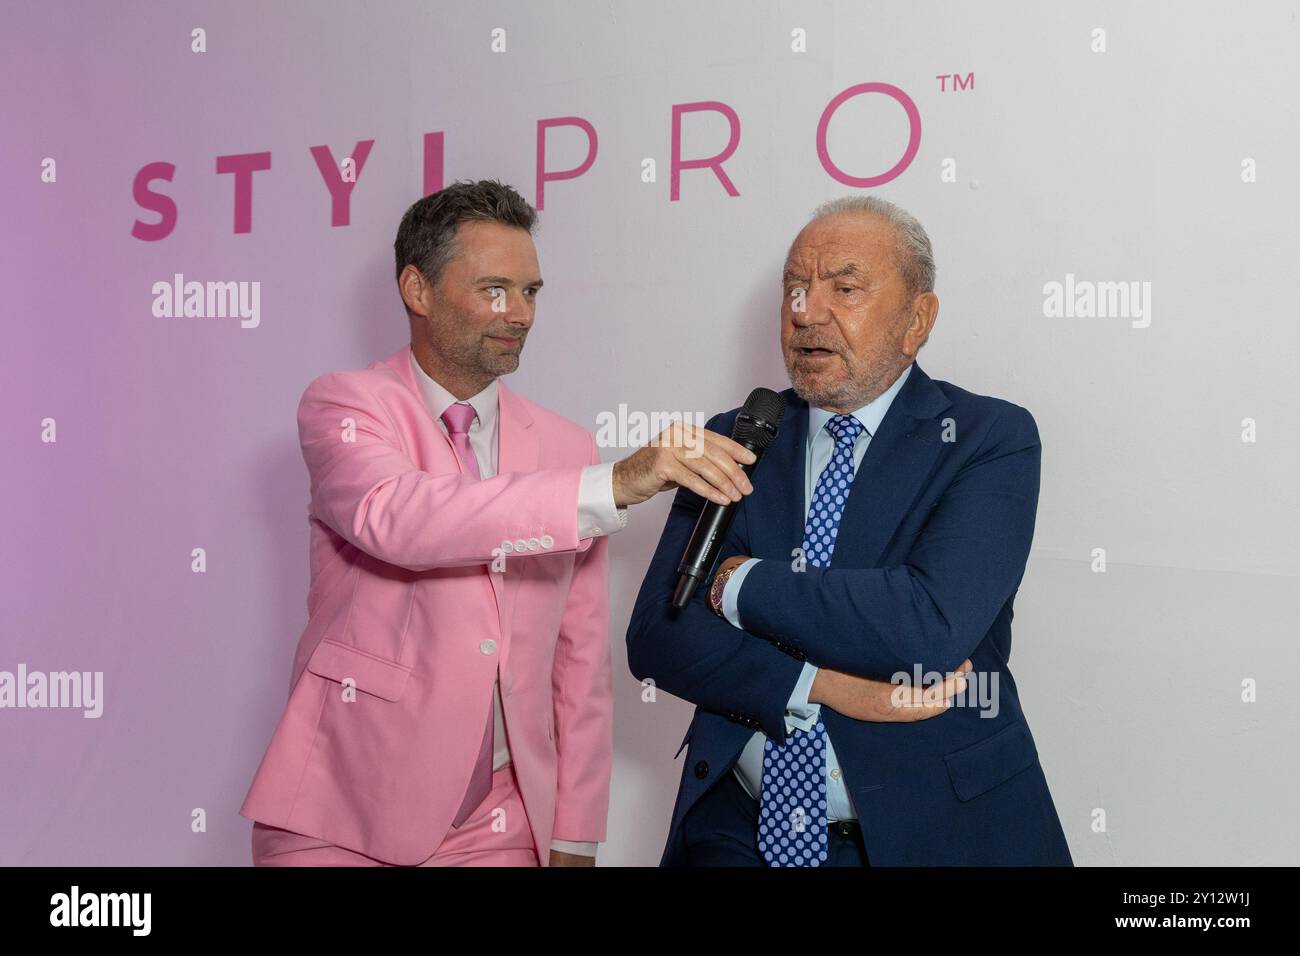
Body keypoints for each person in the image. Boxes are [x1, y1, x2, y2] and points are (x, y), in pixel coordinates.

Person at [239, 179, 756, 866]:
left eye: (531, 291)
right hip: (340, 810)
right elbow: (401, 519)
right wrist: (616, 482)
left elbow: (579, 662)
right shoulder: (344, 405)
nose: (518, 313)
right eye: (493, 290)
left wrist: (573, 831)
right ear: (417, 290)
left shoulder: (565, 448)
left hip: (503, 826)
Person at [627, 196, 1073, 866]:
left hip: (935, 834)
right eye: (795, 290)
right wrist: (819, 684)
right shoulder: (736, 436)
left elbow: (924, 624)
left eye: (846, 288)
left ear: (917, 319)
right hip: (735, 833)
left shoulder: (988, 438)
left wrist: (735, 583)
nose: (806, 311)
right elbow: (659, 634)